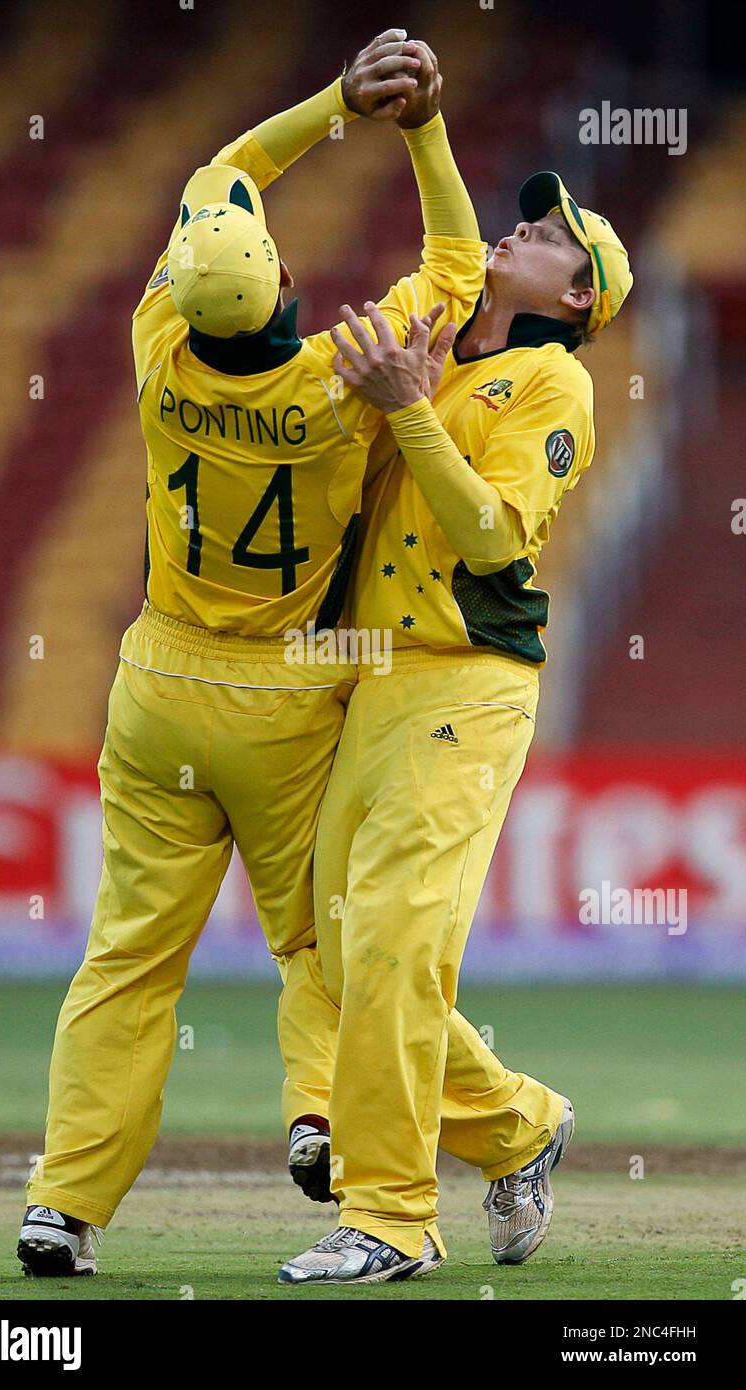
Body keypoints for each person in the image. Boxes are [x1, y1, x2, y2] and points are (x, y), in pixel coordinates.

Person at [15, 30, 488, 1279]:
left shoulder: (155, 345)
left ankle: (63, 1205)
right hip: (289, 689)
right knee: (321, 940)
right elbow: (457, 262)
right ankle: (321, 1119)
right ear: (282, 289)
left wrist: (331, 98)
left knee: (126, 956)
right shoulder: (345, 377)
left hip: (158, 684)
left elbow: (222, 165)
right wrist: (415, 122)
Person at [279, 168, 632, 1284]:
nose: (522, 226)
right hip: (371, 679)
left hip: (468, 688)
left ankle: (389, 1218)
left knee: (389, 947)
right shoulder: (440, 363)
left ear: (579, 299)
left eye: (550, 233)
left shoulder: (549, 382)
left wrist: (410, 410)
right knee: (340, 956)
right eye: (529, 216)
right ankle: (516, 1124)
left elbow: (494, 539)